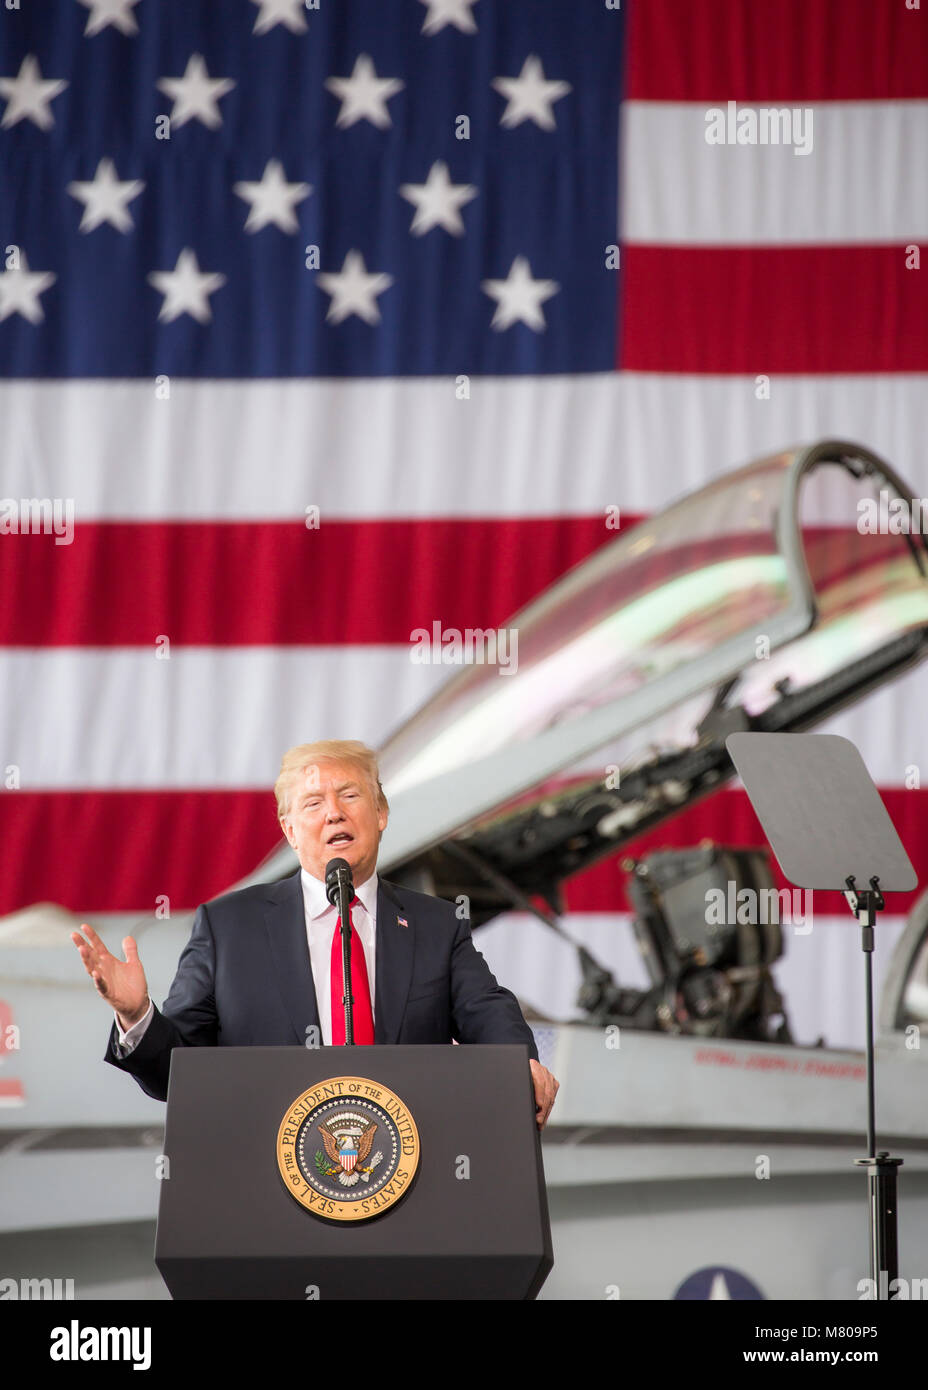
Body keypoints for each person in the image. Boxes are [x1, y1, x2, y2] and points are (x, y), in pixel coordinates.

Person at [72, 739, 559, 1126]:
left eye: (350, 795)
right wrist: (137, 1015)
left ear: (381, 813)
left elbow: (486, 1010)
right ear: (289, 829)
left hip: (410, 1182)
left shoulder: (436, 924)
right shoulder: (228, 927)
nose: (334, 813)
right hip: (267, 1191)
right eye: (312, 803)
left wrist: (519, 1063)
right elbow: (174, 1074)